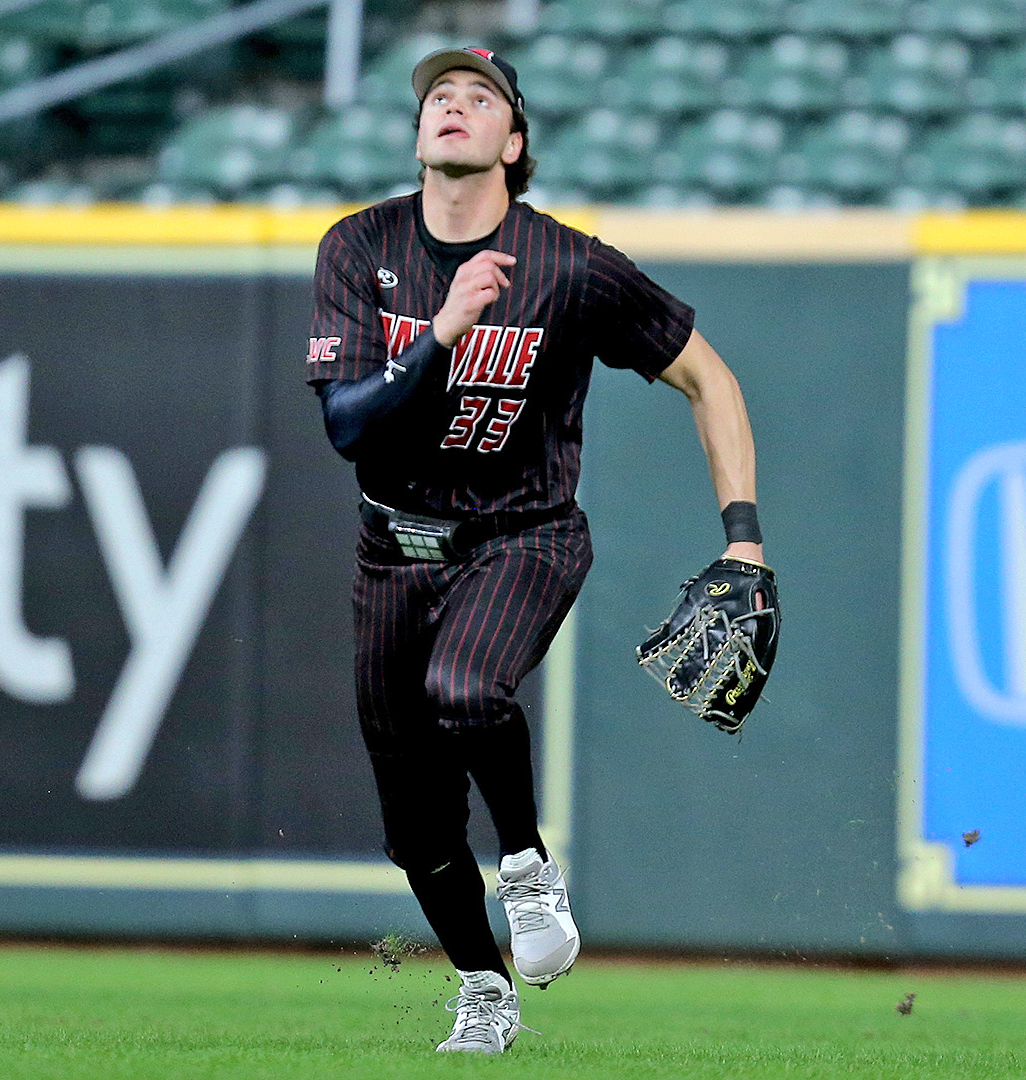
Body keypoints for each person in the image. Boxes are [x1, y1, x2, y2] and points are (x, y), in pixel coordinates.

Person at [305, 46, 765, 1054]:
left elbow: (711, 380)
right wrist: (438, 333)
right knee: (417, 833)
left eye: (480, 98)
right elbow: (347, 426)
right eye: (437, 97)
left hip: (526, 534)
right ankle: (483, 986)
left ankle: (525, 863)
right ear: (418, 134)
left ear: (514, 143)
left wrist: (745, 540)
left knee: (467, 689)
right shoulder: (358, 246)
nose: (452, 107)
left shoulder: (569, 263)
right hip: (395, 549)